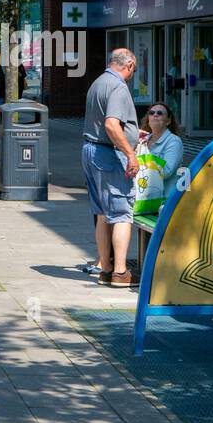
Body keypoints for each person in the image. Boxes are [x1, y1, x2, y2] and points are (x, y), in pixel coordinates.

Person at [82, 49, 141, 288]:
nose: (132, 74)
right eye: (133, 70)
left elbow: (108, 124)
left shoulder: (98, 82)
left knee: (102, 213)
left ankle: (105, 268)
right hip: (108, 155)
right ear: (128, 64)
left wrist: (133, 133)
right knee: (121, 214)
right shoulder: (118, 87)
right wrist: (130, 154)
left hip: (91, 150)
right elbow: (111, 125)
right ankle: (119, 272)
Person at [134, 102, 185, 212]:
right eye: (151, 113)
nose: (155, 115)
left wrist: (144, 161)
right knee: (141, 228)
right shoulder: (142, 141)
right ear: (148, 119)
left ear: (168, 121)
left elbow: (166, 172)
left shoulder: (173, 141)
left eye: (160, 113)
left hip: (164, 202)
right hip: (143, 199)